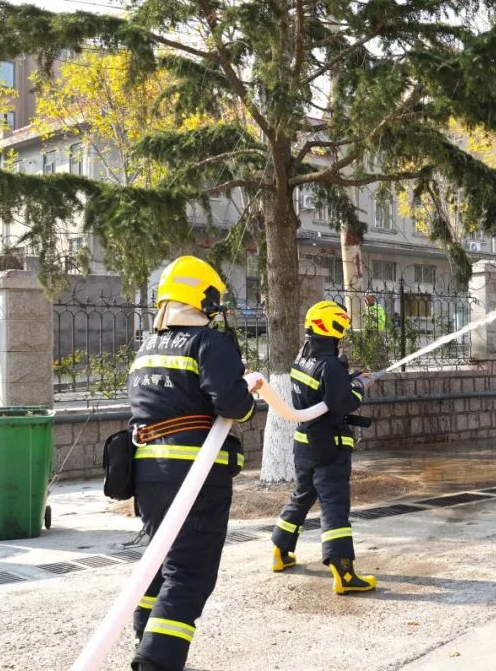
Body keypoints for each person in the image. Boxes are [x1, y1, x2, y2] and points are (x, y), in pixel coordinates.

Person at [129, 256, 257, 671]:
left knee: (160, 558)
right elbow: (234, 405)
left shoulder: (147, 346)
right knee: (189, 572)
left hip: (147, 475)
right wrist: (248, 392)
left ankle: (145, 637)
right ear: (202, 295)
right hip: (195, 476)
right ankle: (157, 661)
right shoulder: (207, 343)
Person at [270, 300, 378, 593]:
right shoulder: (329, 364)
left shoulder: (302, 358)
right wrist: (359, 387)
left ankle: (280, 551)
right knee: (334, 505)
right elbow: (341, 403)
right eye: (340, 329)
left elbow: (323, 389)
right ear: (330, 327)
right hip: (329, 446)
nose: (341, 335)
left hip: (304, 443)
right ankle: (343, 572)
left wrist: (350, 379)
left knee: (303, 495)